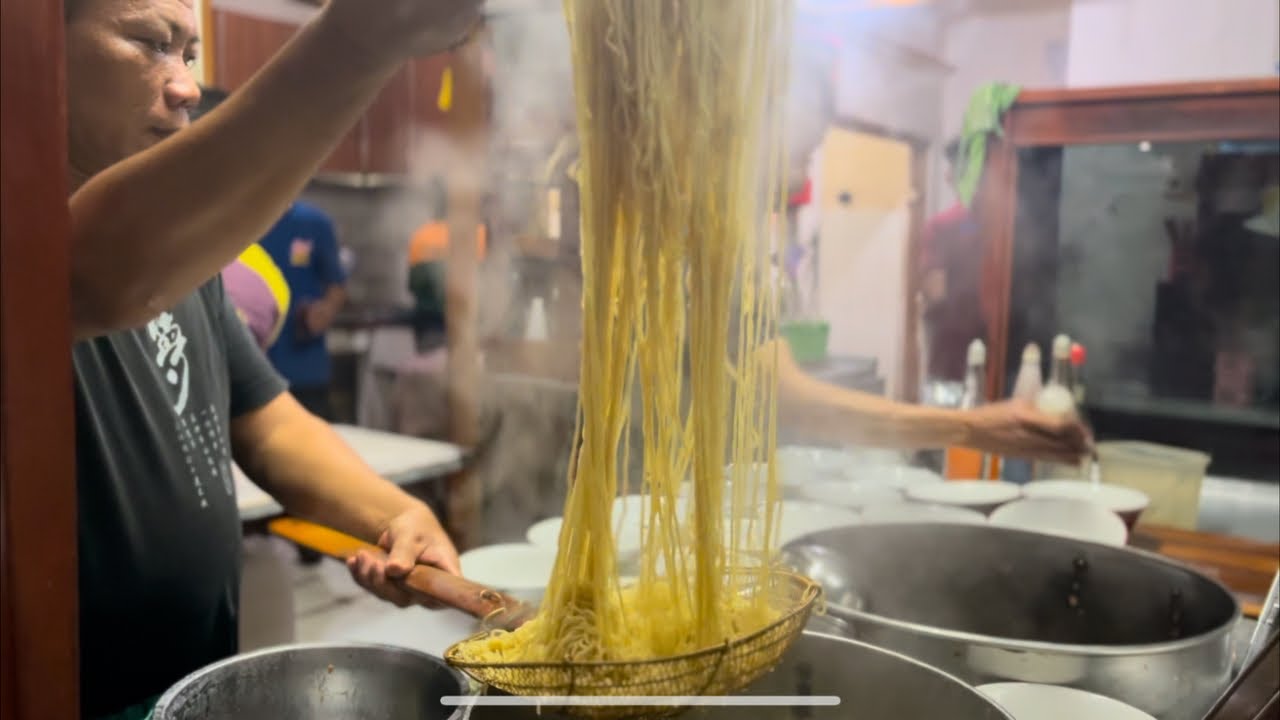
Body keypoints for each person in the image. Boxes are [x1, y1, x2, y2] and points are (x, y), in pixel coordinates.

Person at [62, 0, 482, 717]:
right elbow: (98, 272)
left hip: (192, 680)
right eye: (150, 43)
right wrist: (360, 36)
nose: (187, 84)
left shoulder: (192, 266)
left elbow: (269, 424)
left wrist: (397, 513)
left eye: (189, 53)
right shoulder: (41, 240)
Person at [259, 200, 348, 419]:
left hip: (305, 367)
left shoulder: (314, 223)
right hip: (256, 368)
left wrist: (324, 311)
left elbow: (337, 286)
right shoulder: (246, 222)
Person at [917, 138, 988, 385]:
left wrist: (924, 300)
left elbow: (935, 291)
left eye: (950, 168)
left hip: (951, 356)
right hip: (995, 355)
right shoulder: (1004, 225)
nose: (946, 175)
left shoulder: (941, 226)